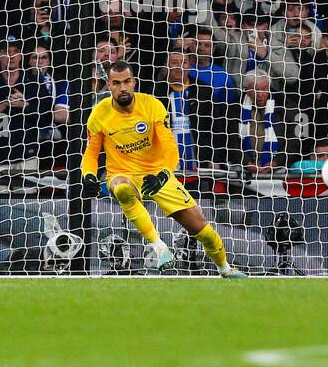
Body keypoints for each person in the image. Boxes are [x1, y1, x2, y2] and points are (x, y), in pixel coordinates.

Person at [80, 60, 245, 278]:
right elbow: (90, 154)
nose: (123, 88)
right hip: (123, 174)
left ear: (134, 82)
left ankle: (225, 267)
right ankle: (159, 247)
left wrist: (164, 173)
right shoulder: (99, 114)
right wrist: (89, 175)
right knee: (122, 190)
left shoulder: (152, 105)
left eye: (127, 81)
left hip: (158, 174)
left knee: (203, 231)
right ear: (109, 86)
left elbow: (169, 146)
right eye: (117, 83)